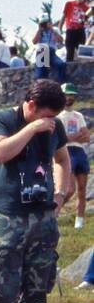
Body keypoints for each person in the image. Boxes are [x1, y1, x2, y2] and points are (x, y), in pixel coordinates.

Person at [0, 79, 73, 303]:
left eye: (53, 118)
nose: (50, 122)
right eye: (46, 116)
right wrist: (32, 128)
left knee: (39, 288)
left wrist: (59, 194)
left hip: (43, 218)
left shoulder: (54, 126)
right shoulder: (3, 119)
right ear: (31, 105)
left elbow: (63, 159)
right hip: (7, 218)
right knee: (2, 289)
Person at [58, 83, 90, 229]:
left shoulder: (79, 115)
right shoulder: (58, 116)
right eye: (66, 94)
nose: (69, 97)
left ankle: (79, 221)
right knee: (69, 189)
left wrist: (73, 136)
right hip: (66, 151)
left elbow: (87, 137)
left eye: (71, 95)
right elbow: (62, 138)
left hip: (80, 152)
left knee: (82, 189)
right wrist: (77, 136)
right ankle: (53, 211)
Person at [60, 0, 91, 64]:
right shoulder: (69, 4)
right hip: (70, 30)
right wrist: (59, 29)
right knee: (70, 51)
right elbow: (63, 17)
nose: (86, 1)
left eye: (88, 0)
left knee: (82, 52)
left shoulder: (87, 8)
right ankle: (68, 70)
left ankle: (84, 69)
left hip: (80, 31)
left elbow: (87, 19)